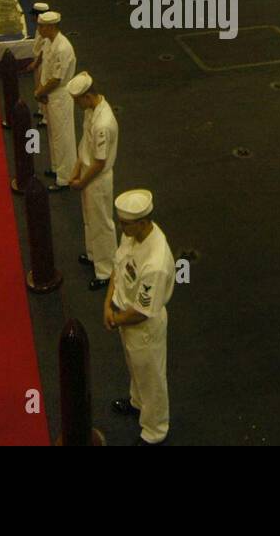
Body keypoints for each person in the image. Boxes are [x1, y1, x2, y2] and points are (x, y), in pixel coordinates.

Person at [104, 188, 174, 446]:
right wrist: (108, 303)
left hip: (143, 327)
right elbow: (118, 266)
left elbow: (142, 312)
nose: (122, 228)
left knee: (151, 376)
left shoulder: (155, 263)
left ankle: (155, 430)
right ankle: (138, 403)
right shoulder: (132, 235)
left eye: (126, 224)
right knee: (135, 368)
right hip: (124, 314)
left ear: (143, 223)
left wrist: (114, 319)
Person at [68, 72, 118, 289]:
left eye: (78, 101)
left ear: (87, 96)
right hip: (88, 174)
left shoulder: (103, 124)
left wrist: (81, 182)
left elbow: (99, 162)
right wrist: (76, 169)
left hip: (97, 179)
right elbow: (85, 144)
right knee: (90, 219)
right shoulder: (92, 111)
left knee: (102, 223)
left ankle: (106, 270)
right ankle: (93, 254)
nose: (77, 105)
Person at [34, 12, 77, 192]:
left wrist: (40, 92)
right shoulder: (50, 42)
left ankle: (66, 177)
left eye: (42, 26)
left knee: (63, 136)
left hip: (59, 96)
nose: (39, 29)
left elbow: (57, 79)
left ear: (51, 27)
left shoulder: (62, 47)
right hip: (50, 94)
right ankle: (57, 168)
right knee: (53, 134)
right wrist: (43, 91)